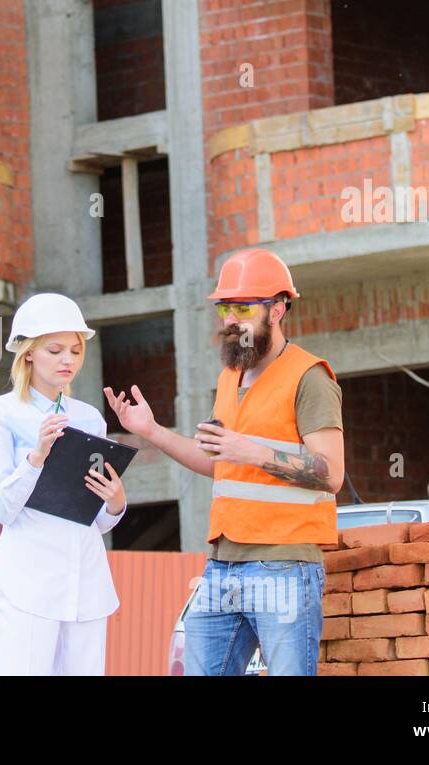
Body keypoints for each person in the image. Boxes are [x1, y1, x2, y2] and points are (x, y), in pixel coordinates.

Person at [104, 248, 344, 676]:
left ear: (278, 309)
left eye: (243, 308)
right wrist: (152, 431)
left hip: (284, 566)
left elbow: (332, 473)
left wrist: (250, 450)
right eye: (225, 308)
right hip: (223, 563)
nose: (231, 320)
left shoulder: (310, 377)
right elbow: (221, 464)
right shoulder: (229, 378)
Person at [0, 293, 129, 676]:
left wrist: (115, 502)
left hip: (86, 580)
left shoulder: (90, 418)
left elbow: (92, 519)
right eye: (55, 350)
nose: (67, 361)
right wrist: (36, 458)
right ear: (28, 353)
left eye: (75, 351)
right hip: (27, 580)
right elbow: (0, 508)